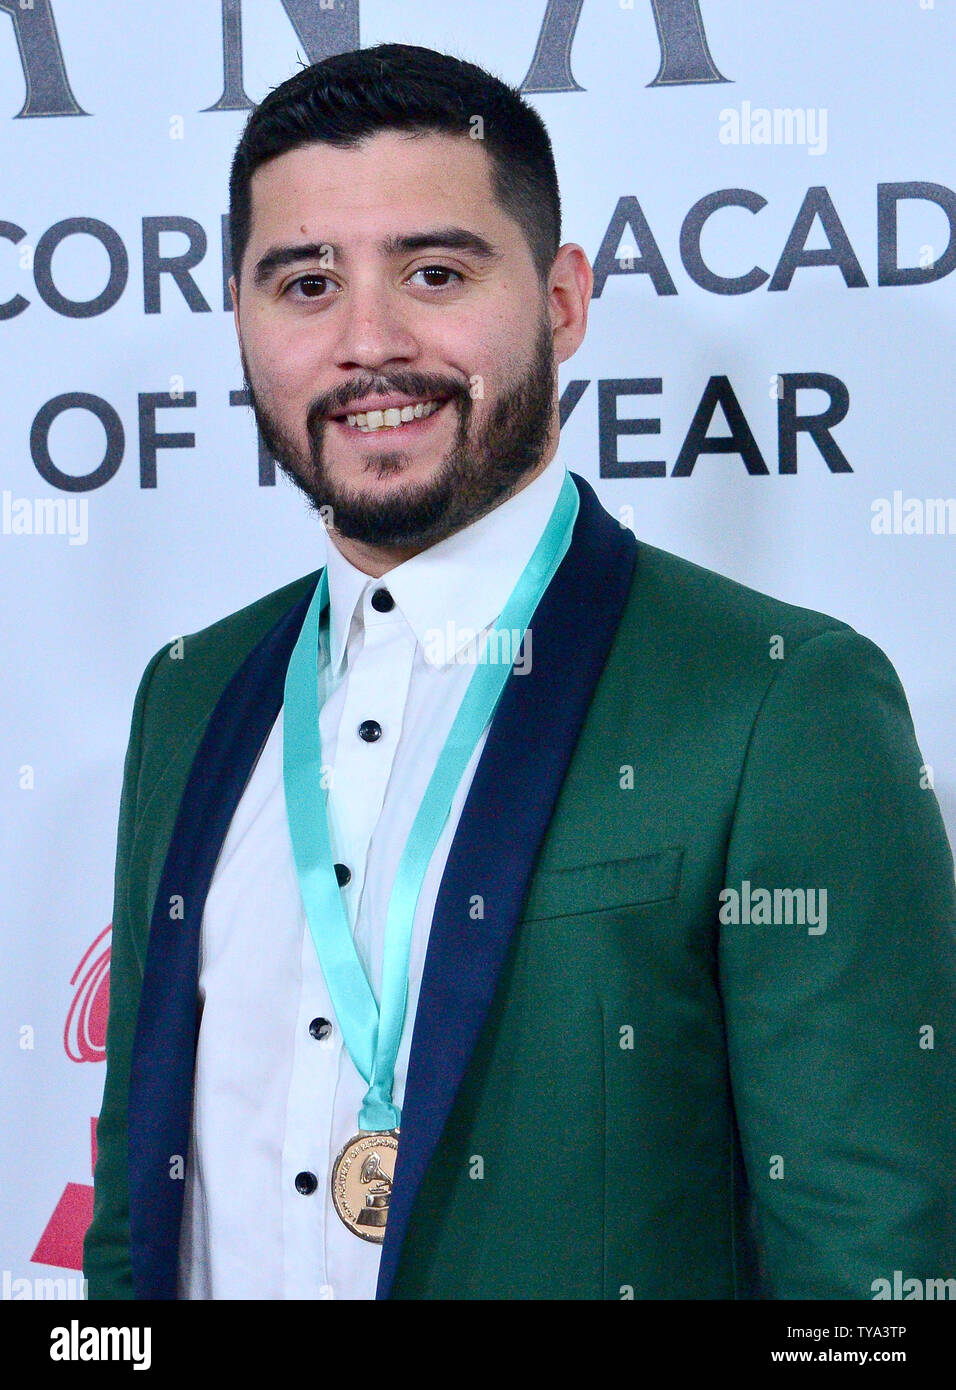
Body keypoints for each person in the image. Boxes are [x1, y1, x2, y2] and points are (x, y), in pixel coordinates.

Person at [84, 43, 956, 1301]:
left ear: (559, 302)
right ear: (242, 317)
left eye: (433, 271)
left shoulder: (778, 699)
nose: (367, 342)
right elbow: (134, 1217)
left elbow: (871, 1274)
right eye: (305, 281)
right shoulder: (191, 690)